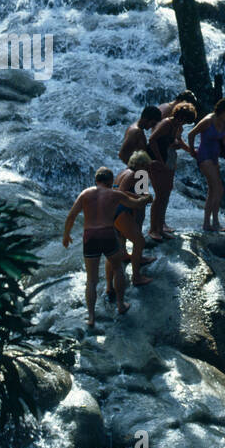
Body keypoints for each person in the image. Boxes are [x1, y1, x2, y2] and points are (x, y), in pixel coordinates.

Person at [62, 168, 153, 328]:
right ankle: (120, 304)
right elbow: (136, 203)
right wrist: (147, 198)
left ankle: (91, 317)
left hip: (90, 237)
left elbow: (71, 215)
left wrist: (66, 235)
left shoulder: (85, 194)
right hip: (107, 234)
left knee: (91, 280)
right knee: (118, 269)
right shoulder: (114, 194)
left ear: (96, 180)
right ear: (110, 181)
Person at [188, 97, 225, 232]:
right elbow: (191, 134)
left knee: (213, 190)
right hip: (204, 156)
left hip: (214, 157)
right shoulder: (207, 121)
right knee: (218, 189)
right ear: (223, 110)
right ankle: (214, 223)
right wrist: (191, 151)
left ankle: (209, 224)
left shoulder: (224, 122)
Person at [146, 101, 196, 242]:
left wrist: (191, 151)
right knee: (159, 195)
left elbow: (179, 141)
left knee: (166, 194)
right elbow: (152, 140)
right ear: (177, 114)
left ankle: (161, 228)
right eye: (182, 118)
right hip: (156, 160)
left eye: (186, 121)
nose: (183, 122)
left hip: (168, 158)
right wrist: (160, 161)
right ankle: (152, 229)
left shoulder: (178, 126)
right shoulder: (167, 123)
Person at [114, 150, 157, 286]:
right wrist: (141, 198)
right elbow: (121, 193)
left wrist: (143, 200)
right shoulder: (133, 175)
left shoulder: (130, 172)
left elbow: (143, 194)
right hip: (120, 210)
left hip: (119, 210)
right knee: (139, 242)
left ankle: (129, 256)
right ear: (141, 164)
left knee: (126, 236)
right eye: (146, 166)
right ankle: (136, 278)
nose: (148, 168)